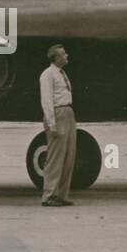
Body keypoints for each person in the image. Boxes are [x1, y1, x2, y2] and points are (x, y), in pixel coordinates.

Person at [39, 44, 76, 207]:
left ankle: (61, 194)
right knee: (55, 157)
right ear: (56, 58)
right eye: (63, 54)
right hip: (57, 113)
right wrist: (51, 123)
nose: (67, 56)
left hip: (68, 112)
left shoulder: (61, 73)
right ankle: (49, 195)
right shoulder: (47, 75)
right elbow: (46, 100)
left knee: (68, 155)